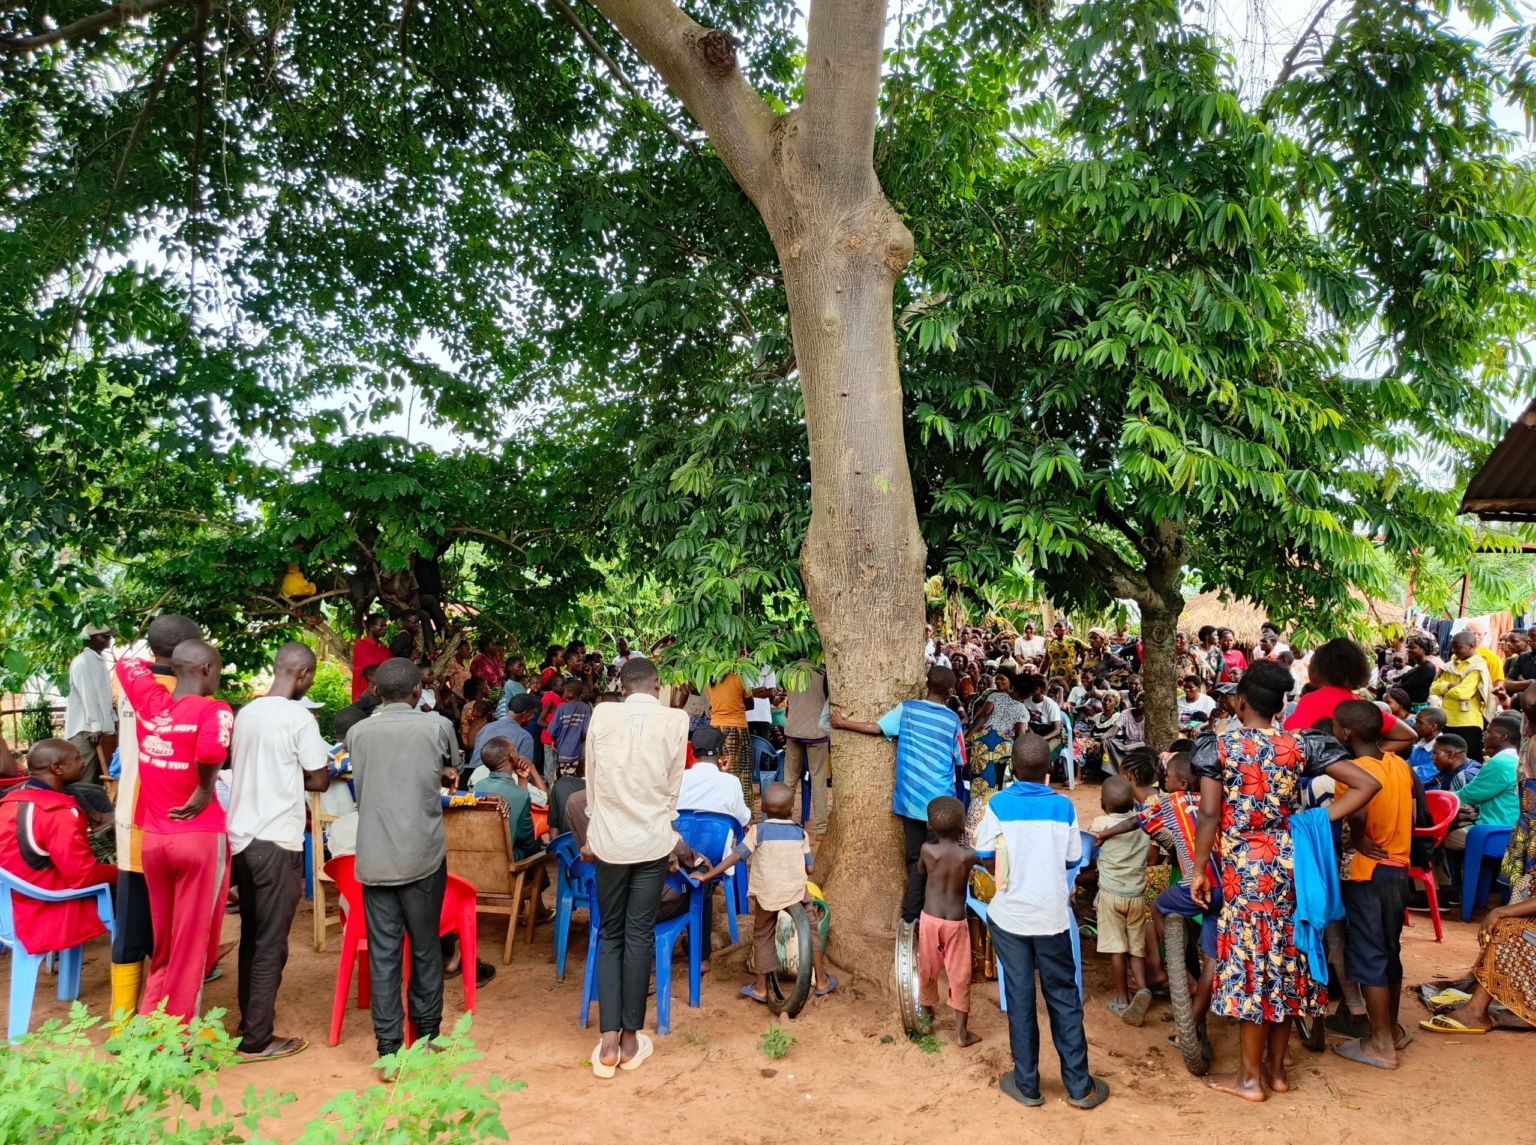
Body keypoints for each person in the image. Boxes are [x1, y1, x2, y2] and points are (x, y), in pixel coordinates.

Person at [1188, 660, 1381, 1102]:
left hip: (1247, 869)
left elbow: (1210, 814)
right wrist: (1315, 820)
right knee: (1287, 958)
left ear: (1240, 702)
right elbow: (1367, 784)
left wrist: (1198, 870)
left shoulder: (1219, 747)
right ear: (1280, 706)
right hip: (1291, 863)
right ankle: (1275, 1072)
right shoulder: (1300, 744)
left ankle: (1249, 1080)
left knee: (1253, 965)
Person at [973, 733, 1106, 1109]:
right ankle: (1080, 1087)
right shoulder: (1063, 807)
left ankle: (1027, 1085)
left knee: (1019, 996)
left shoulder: (998, 804)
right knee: (1064, 996)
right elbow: (1072, 859)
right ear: (1050, 767)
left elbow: (983, 852)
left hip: (1010, 917)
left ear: (1012, 768)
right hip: (1051, 918)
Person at [347, 658, 462, 1074]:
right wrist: (443, 774)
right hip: (422, 854)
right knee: (426, 947)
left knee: (383, 955)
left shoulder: (357, 732)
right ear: (417, 691)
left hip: (374, 856)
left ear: (377, 691)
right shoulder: (437, 726)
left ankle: (389, 1052)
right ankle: (427, 1037)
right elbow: (448, 769)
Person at [115, 639, 235, 1026]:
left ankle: (151, 1021)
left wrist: (167, 662)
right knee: (193, 944)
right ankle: (177, 1036)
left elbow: (127, 662)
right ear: (206, 669)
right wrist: (204, 789)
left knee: (165, 939)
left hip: (155, 841)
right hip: (199, 838)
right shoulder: (214, 709)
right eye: (218, 669)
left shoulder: (150, 702)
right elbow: (212, 752)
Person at [225, 642, 331, 1062]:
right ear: (303, 674)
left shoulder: (246, 714)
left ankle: (249, 1021)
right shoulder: (297, 717)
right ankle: (256, 1039)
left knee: (252, 934)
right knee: (271, 942)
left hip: (242, 838)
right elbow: (320, 779)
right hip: (277, 838)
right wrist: (290, 776)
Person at [584, 657, 688, 1078]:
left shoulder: (602, 714)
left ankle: (608, 1044)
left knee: (611, 935)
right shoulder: (676, 720)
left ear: (622, 687)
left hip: (610, 841)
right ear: (657, 685)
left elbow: (592, 780)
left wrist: (597, 823)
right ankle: (630, 1040)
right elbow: (672, 790)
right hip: (651, 840)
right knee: (639, 933)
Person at [1422, 691, 1536, 1034]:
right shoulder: (1524, 749)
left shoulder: (1506, 760)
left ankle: (1478, 1011)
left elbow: (1469, 795)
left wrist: (1501, 912)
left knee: (1508, 924)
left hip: (1499, 830)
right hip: (1516, 836)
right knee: (1511, 914)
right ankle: (1488, 998)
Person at [107, 614, 201, 1027]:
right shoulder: (181, 693)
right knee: (177, 927)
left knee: (130, 925)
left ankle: (121, 1022)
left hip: (129, 816)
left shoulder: (131, 683)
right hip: (172, 819)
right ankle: (168, 1020)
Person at [832, 666, 966, 925]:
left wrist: (842, 723)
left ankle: (910, 915)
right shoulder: (953, 720)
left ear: (926, 684)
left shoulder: (908, 708)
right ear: (950, 692)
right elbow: (960, 758)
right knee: (938, 858)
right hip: (941, 803)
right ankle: (931, 914)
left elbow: (876, 728)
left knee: (915, 857)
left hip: (911, 798)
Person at [692, 781, 836, 1005]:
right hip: (796, 893)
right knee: (811, 930)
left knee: (762, 935)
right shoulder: (800, 834)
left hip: (766, 893)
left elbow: (737, 856)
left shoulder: (757, 831)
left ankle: (760, 987)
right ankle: (821, 980)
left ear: (763, 809)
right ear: (792, 810)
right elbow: (810, 869)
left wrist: (708, 875)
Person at [1329, 700, 1415, 1070]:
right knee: (1389, 950)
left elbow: (1359, 810)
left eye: (1336, 726)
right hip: (1398, 871)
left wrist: (1360, 837)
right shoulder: (1398, 764)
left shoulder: (1351, 770)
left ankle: (1379, 1044)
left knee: (1368, 953)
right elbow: (1404, 734)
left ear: (1346, 733)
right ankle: (1390, 1030)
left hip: (1368, 871)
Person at [0, 739, 118, 955]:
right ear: (57, 768)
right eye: (77, 758)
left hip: (11, 904)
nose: (83, 761)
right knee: (132, 883)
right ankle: (132, 957)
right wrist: (121, 872)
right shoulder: (57, 812)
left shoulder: (10, 802)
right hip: (43, 908)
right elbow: (84, 876)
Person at [913, 795, 980, 1047]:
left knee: (927, 969)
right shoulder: (968, 856)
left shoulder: (927, 850)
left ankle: (926, 1021)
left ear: (930, 826)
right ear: (962, 826)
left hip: (930, 919)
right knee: (960, 974)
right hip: (956, 923)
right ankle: (961, 1033)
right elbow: (988, 860)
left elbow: (921, 870)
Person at [1090, 775, 1152, 1026]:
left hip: (1110, 895)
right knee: (1136, 948)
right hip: (1137, 895)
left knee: (1117, 948)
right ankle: (1143, 989)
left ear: (1102, 803)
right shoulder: (1143, 824)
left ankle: (1123, 1000)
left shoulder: (1100, 823)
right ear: (1133, 803)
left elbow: (1090, 850)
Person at [1283, 637, 1416, 751]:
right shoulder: (1361, 704)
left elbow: (1294, 742)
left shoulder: (1312, 700)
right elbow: (1408, 735)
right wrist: (1364, 757)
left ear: (1316, 670)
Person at [1443, 713, 1523, 861]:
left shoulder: (1501, 763)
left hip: (1493, 831)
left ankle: (1457, 876)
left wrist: (1437, 798)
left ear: (1503, 737)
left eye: (1489, 732)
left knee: (1442, 838)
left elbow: (1468, 795)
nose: (1484, 735)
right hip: (1512, 828)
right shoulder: (1516, 760)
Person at [469, 737, 544, 861]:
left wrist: (522, 781)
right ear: (512, 756)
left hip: (479, 855)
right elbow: (527, 841)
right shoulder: (521, 795)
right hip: (506, 859)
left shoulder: (477, 786)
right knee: (536, 843)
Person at [781, 662, 831, 837]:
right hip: (817, 732)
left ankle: (783, 824)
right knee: (818, 782)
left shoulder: (788, 671)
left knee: (789, 781)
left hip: (793, 730)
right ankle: (821, 828)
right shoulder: (823, 672)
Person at [64, 624, 116, 785]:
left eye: (109, 636)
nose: (109, 639)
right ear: (91, 638)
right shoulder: (82, 662)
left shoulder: (99, 661)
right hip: (85, 730)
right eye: (104, 636)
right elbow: (88, 696)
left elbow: (104, 696)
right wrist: (95, 726)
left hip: (99, 729)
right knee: (83, 780)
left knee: (98, 780)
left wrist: (113, 720)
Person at [1432, 630, 1496, 761]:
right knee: (1447, 759)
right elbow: (1433, 689)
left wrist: (1443, 687)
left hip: (1467, 722)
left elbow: (1462, 693)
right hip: (1447, 719)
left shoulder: (1478, 667)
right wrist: (1449, 685)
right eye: (1452, 647)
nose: (1454, 651)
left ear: (1471, 646)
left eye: (1458, 647)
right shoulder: (1450, 665)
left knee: (1468, 760)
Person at [965, 670, 1028, 791]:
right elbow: (1020, 733)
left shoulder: (995, 696)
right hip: (1004, 748)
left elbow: (982, 715)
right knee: (998, 780)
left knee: (979, 779)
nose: (998, 681)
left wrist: (967, 736)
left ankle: (977, 801)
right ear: (1026, 695)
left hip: (983, 742)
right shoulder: (1022, 710)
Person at [678, 727, 751, 827]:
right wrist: (724, 775)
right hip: (719, 837)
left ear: (694, 753)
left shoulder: (680, 778)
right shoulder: (732, 782)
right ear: (721, 752)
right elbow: (743, 819)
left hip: (683, 835)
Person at [706, 671, 756, 811]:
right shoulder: (740, 676)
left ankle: (719, 809)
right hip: (737, 728)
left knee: (718, 771)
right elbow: (750, 704)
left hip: (715, 728)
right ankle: (742, 811)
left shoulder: (709, 677)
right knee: (741, 773)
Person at [469, 692, 540, 771]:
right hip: (499, 778)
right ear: (525, 714)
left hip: (473, 776)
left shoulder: (486, 728)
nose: (532, 717)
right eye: (532, 713)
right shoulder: (525, 737)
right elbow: (523, 772)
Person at [549, 677, 594, 777]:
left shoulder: (562, 707)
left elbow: (554, 728)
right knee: (574, 776)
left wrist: (553, 740)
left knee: (564, 776)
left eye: (564, 691)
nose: (563, 693)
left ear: (571, 694)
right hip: (577, 751)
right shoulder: (586, 708)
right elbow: (585, 732)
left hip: (562, 749)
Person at [351, 614, 391, 701]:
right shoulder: (361, 645)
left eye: (385, 626)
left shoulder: (384, 648)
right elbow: (373, 669)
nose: (384, 628)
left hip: (381, 697)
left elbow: (392, 666)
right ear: (371, 627)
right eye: (381, 626)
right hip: (364, 696)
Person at [1406, 706, 1447, 783]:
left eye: (1420, 722)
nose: (1415, 725)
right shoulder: (1419, 744)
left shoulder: (1442, 752)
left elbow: (1418, 779)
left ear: (1433, 727)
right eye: (1416, 721)